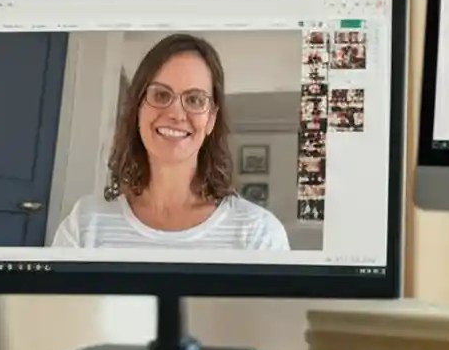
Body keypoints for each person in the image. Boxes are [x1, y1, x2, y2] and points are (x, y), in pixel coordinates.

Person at [52, 33, 291, 250]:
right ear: (137, 109)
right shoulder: (84, 225)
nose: (176, 113)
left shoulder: (259, 234)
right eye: (161, 94)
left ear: (211, 120)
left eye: (195, 100)